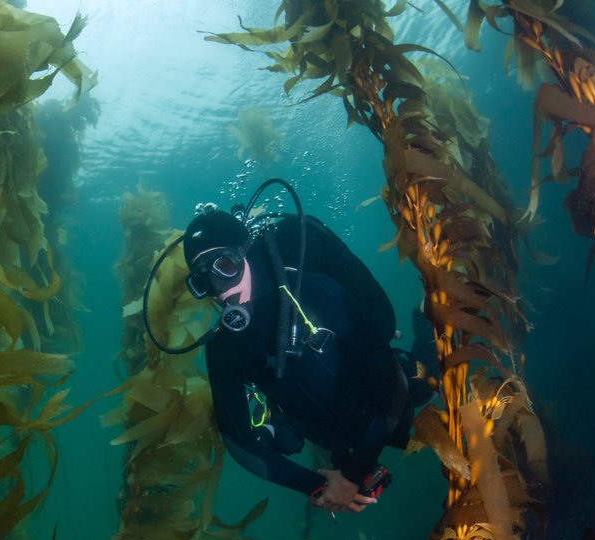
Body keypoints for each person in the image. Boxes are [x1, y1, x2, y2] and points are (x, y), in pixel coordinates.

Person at [178, 189, 433, 515]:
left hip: (389, 401)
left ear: (246, 253)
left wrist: (353, 474)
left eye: (225, 266)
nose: (220, 288)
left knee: (429, 381)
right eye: (204, 281)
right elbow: (238, 442)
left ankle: (426, 324)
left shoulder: (312, 290)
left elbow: (392, 383)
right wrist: (319, 486)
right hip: (336, 438)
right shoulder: (224, 348)